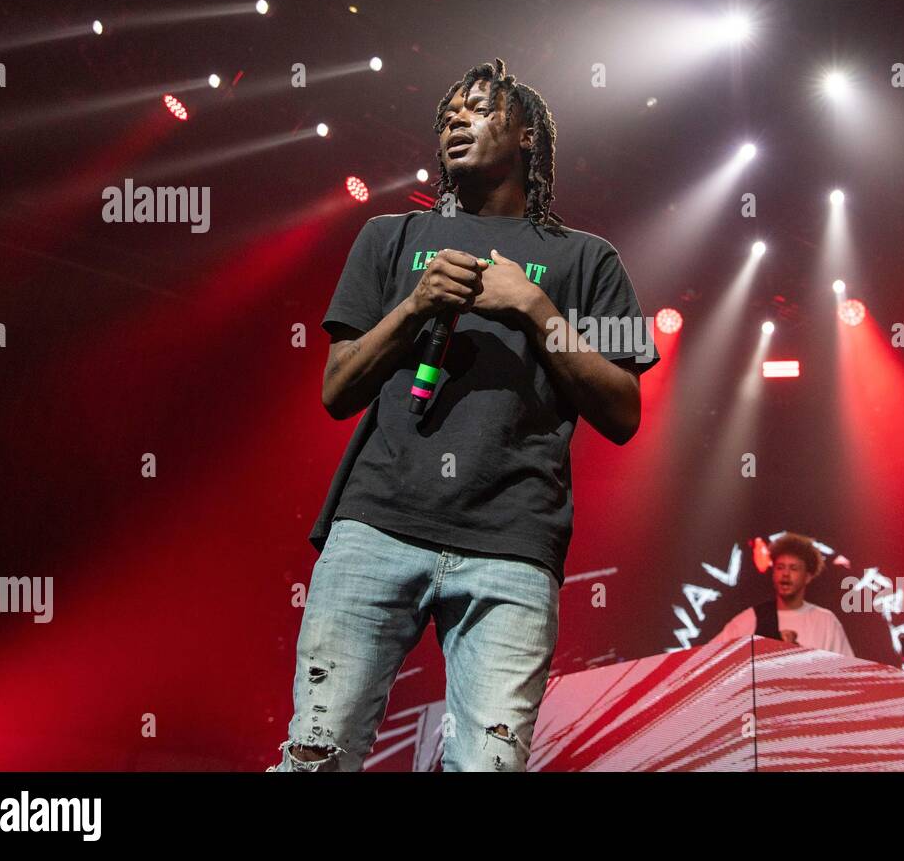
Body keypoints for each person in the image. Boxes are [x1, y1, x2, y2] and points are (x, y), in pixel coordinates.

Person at [270, 57, 659, 772]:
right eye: (447, 112)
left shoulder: (589, 260)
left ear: (527, 136)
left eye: (478, 109)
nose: (454, 120)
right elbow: (337, 391)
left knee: (489, 767)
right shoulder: (388, 238)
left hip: (512, 545)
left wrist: (536, 309)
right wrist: (415, 305)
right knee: (317, 758)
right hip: (376, 526)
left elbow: (625, 410)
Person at [711, 533, 854, 655]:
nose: (785, 574)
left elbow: (849, 675)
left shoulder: (826, 622)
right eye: (780, 568)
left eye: (793, 568)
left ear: (808, 576)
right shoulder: (751, 618)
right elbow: (709, 657)